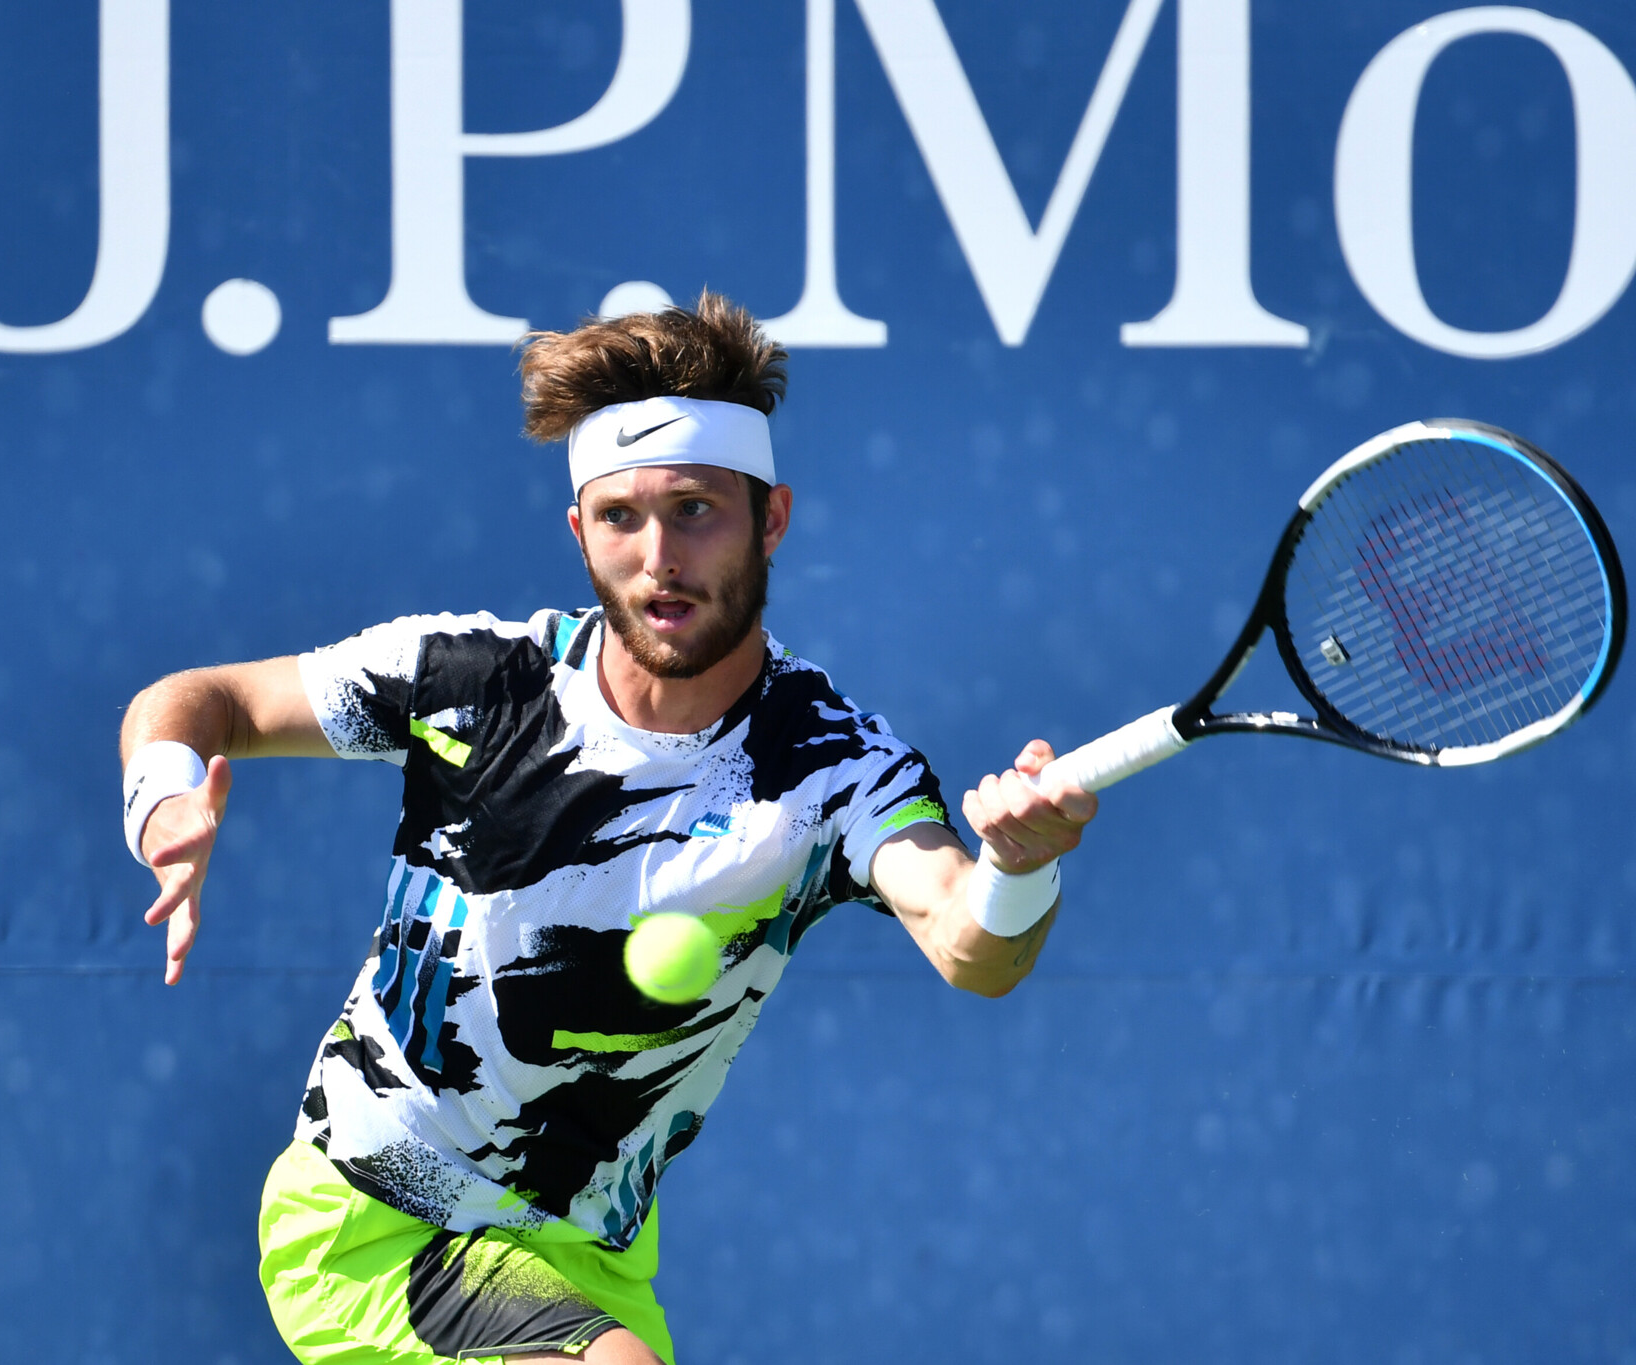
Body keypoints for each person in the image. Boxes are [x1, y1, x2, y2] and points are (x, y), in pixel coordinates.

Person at [117, 293, 1097, 1365]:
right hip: (376, 1218)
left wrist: (1015, 867)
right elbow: (206, 700)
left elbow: (969, 944)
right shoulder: (470, 683)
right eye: (622, 516)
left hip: (587, 1256)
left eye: (695, 509)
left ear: (770, 518)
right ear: (580, 532)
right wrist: (167, 790)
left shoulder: (832, 768)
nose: (658, 555)